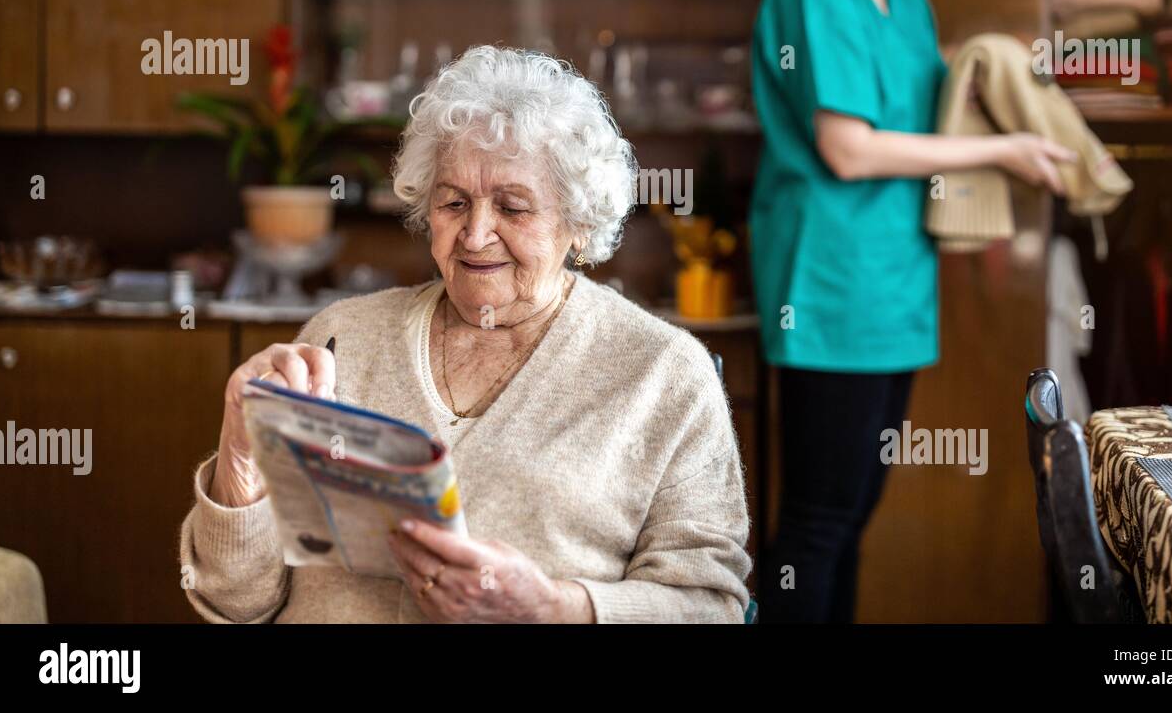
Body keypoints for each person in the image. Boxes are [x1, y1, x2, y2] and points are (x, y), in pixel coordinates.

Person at [181, 45, 752, 623]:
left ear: (578, 225)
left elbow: (709, 606)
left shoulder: (662, 372)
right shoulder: (341, 337)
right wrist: (240, 456)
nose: (476, 235)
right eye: (453, 202)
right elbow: (234, 601)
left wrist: (555, 611)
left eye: (513, 206)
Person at [750, 0, 1073, 623]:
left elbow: (922, 103)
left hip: (894, 279)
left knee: (854, 516)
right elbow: (849, 148)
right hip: (830, 280)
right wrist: (1002, 153)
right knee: (819, 521)